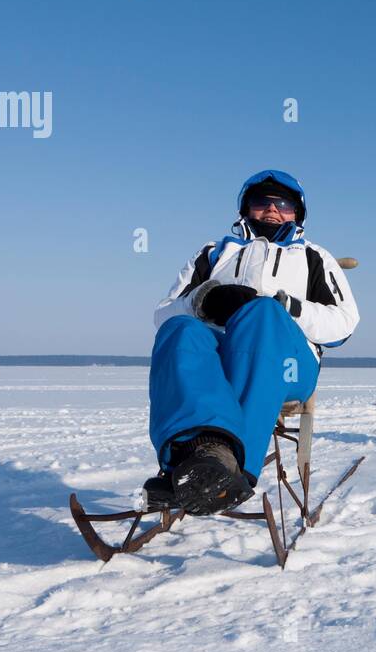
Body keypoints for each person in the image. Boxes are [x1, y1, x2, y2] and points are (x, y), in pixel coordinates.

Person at [142, 169, 359, 514]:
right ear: (245, 208)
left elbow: (344, 324)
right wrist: (203, 301)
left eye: (283, 204)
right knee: (181, 329)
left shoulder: (313, 257)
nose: (272, 209)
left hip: (288, 365)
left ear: (297, 213)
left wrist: (287, 307)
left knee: (263, 313)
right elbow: (163, 315)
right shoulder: (213, 253)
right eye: (262, 201)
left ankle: (238, 471)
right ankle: (191, 463)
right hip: (223, 360)